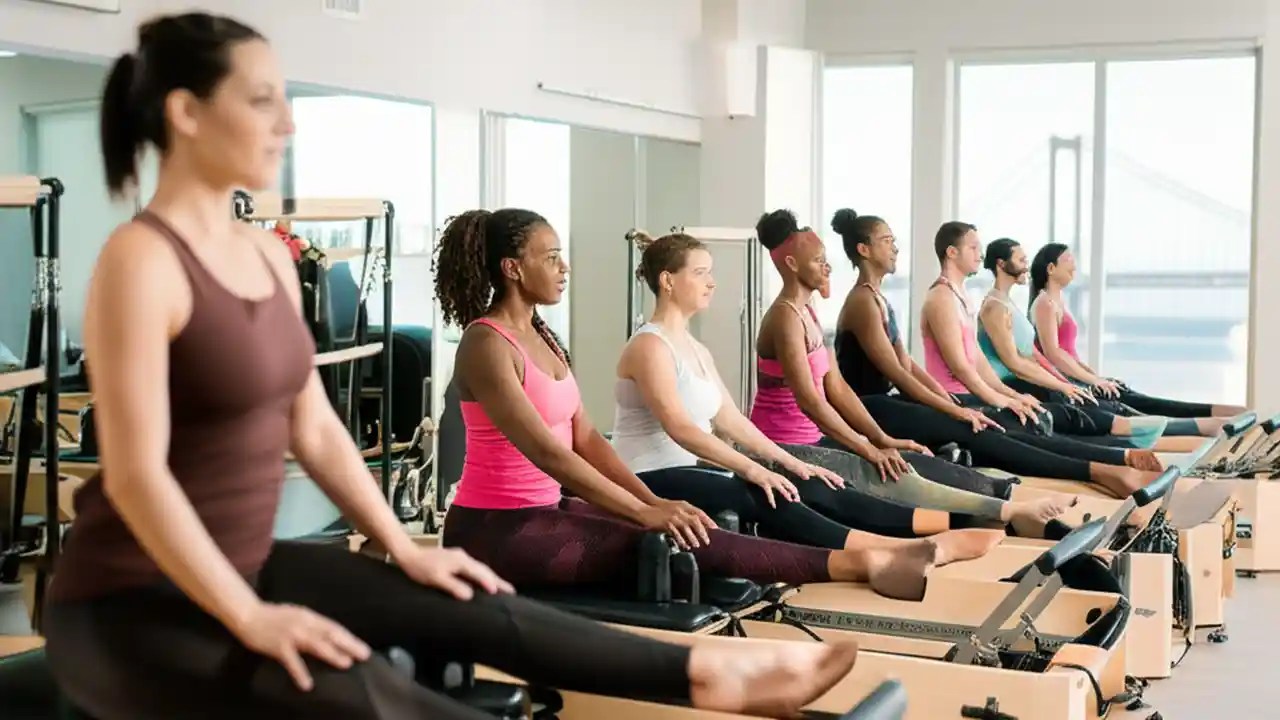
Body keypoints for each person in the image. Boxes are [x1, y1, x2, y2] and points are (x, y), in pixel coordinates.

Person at [41, 14, 861, 719]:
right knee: (370, 695)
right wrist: (251, 620)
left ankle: (710, 675)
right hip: (133, 600)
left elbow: (315, 428)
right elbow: (141, 475)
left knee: (474, 600)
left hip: (249, 559)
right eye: (261, 100)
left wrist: (404, 546)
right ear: (185, 112)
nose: (287, 122)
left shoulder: (259, 254)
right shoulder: (141, 262)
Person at [433, 207, 1003, 605]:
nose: (564, 267)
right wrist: (647, 509)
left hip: (547, 509)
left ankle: (894, 548)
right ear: (512, 267)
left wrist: (654, 500)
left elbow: (584, 440)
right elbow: (548, 454)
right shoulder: (486, 344)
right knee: (672, 536)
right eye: (551, 257)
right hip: (494, 529)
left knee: (694, 521)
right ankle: (869, 560)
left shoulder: (543, 336)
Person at [613, 230, 1064, 540]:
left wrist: (790, 459)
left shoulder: (697, 347)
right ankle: (929, 536)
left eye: (711, 270)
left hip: (731, 457)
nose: (712, 281)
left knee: (849, 474)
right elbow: (684, 428)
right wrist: (760, 466)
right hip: (657, 475)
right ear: (668, 281)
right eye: (700, 273)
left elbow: (730, 420)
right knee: (811, 487)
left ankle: (999, 510)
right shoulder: (650, 346)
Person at [741, 211, 1072, 535]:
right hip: (786, 446)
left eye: (826, 258)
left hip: (817, 437)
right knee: (891, 476)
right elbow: (811, 401)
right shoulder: (784, 318)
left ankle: (1013, 507)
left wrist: (883, 439)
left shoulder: (809, 312)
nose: (827, 266)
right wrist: (867, 447)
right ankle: (1005, 514)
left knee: (911, 461)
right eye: (817, 260)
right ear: (791, 265)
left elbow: (838, 389)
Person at [829, 208, 1162, 496]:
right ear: (864, 249)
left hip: (890, 401)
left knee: (1000, 421)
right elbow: (897, 373)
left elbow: (907, 365)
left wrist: (954, 404)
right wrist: (955, 409)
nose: (895, 247)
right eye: (886, 240)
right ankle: (1106, 467)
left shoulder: (879, 299)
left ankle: (1114, 459)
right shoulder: (862, 302)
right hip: (872, 407)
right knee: (982, 427)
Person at [920, 222, 1163, 473]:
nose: (980, 254)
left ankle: (1125, 451)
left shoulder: (961, 297)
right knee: (1038, 423)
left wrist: (1011, 396)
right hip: (958, 398)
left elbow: (978, 360)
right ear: (951, 252)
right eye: (973, 247)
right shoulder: (941, 298)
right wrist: (1003, 400)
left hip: (975, 394)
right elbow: (961, 367)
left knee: (1046, 413)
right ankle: (1119, 457)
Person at [1028, 242, 1245, 436]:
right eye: (1068, 260)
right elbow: (1053, 353)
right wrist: (1092, 381)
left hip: (1079, 379)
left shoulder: (1058, 301)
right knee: (1147, 408)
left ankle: (1235, 416)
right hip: (1070, 384)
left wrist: (1095, 376)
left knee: (1150, 404)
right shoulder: (1045, 304)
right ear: (1051, 268)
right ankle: (1224, 421)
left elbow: (1069, 352)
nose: (1074, 266)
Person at [976, 237, 1172, 449]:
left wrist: (1067, 382)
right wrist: (1062, 386)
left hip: (1023, 377)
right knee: (1065, 405)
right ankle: (1127, 440)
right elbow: (1014, 363)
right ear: (1001, 264)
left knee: (1072, 397)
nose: (1027, 265)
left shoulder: (1008, 302)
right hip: (1008, 382)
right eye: (1021, 260)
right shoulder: (994, 307)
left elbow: (1033, 356)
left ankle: (1133, 433)